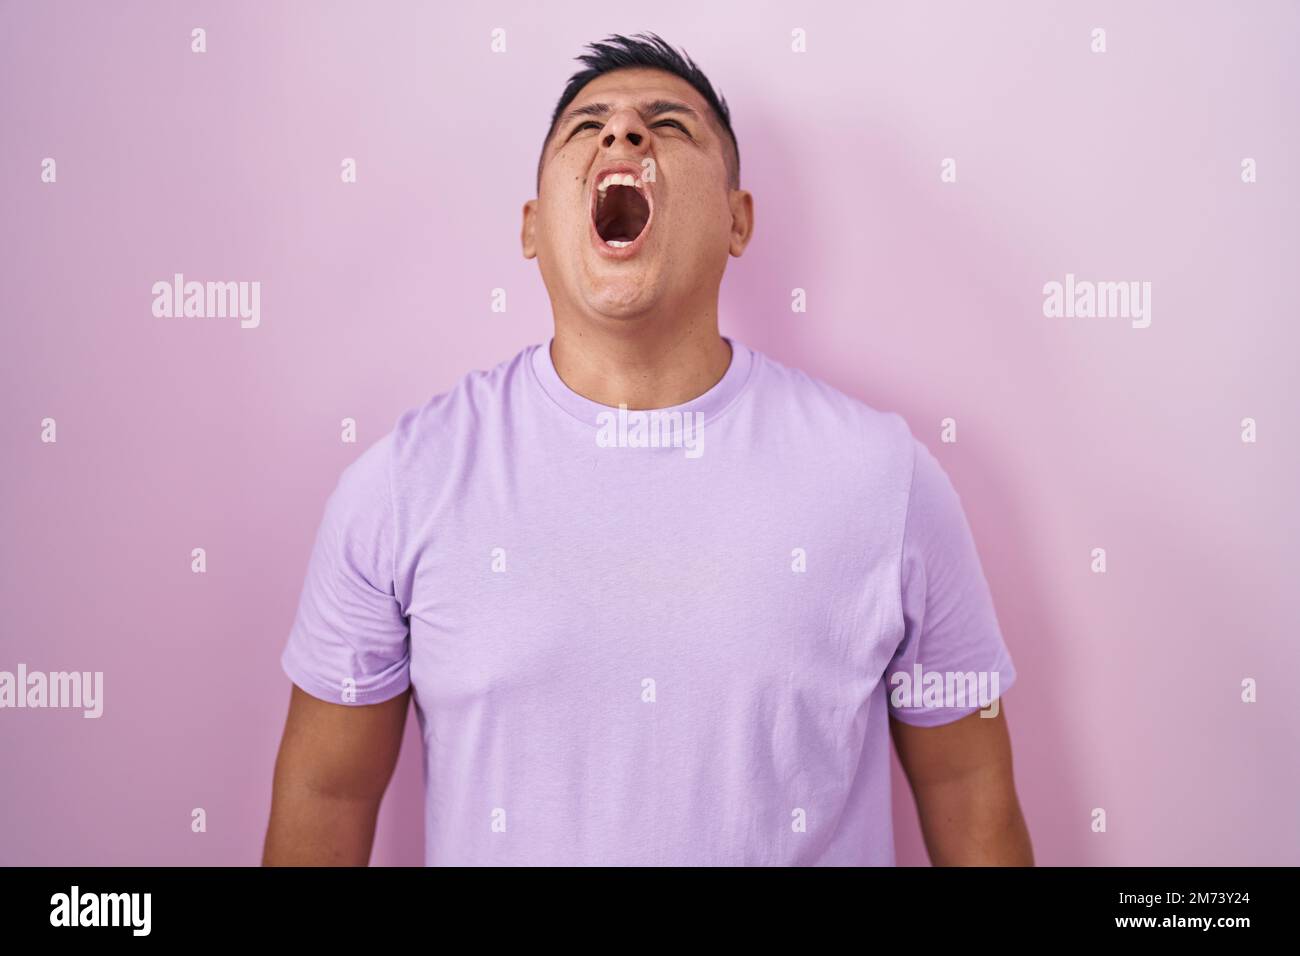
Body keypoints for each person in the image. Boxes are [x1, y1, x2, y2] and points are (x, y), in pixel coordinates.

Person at [263, 32, 1032, 866]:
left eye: (668, 126)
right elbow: (325, 795)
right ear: (531, 227)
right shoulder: (401, 487)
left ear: (739, 221)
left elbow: (969, 790)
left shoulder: (886, 479)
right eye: (586, 127)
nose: (622, 134)